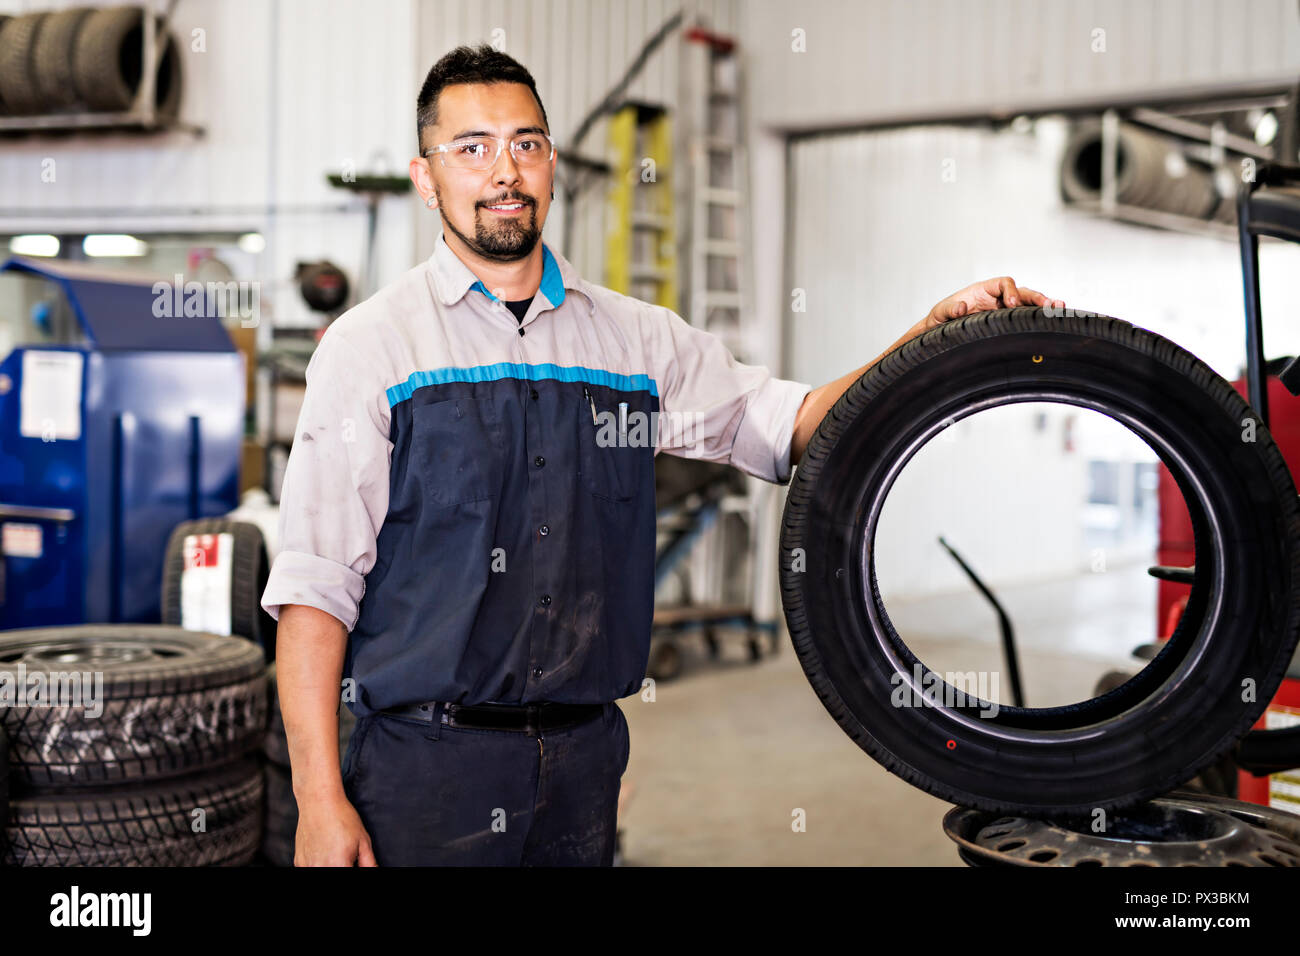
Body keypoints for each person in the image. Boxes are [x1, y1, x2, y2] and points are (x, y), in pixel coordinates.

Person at [260, 44, 1065, 867]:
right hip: (422, 773)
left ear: (551, 163)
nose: (505, 170)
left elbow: (785, 422)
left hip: (584, 763)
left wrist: (924, 340)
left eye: (526, 144)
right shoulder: (373, 348)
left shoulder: (632, 341)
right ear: (426, 177)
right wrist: (319, 801)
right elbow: (316, 589)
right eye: (471, 148)